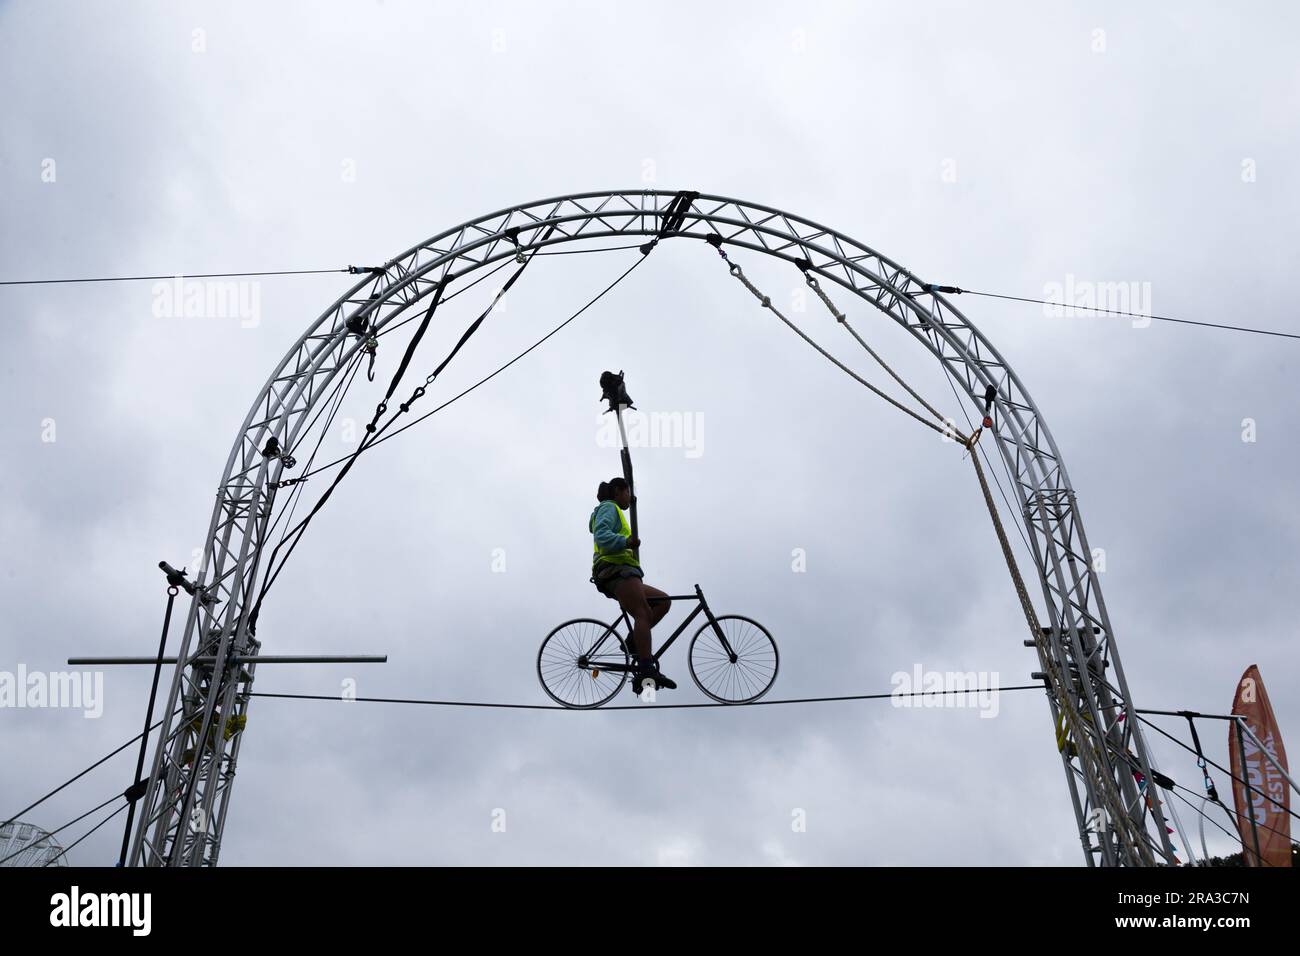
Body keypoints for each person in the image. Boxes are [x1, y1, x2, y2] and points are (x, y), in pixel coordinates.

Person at [589, 477, 676, 692]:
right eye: (628, 493)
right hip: (616, 570)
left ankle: (633, 642)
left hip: (623, 570)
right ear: (619, 491)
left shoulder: (614, 510)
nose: (630, 498)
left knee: (663, 601)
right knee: (643, 613)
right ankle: (646, 669)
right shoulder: (609, 507)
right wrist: (625, 542)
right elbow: (601, 536)